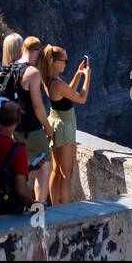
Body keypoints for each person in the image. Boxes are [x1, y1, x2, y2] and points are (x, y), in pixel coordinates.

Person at [40, 45, 91, 205]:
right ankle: (67, 213)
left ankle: (55, 207)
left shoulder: (49, 81)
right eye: (64, 60)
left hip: (55, 122)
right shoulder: (57, 84)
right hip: (65, 126)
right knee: (67, 174)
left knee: (57, 170)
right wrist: (88, 77)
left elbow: (66, 93)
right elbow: (81, 98)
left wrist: (78, 74)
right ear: (54, 62)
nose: (66, 64)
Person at [11, 36, 53, 204]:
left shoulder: (11, 68)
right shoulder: (32, 73)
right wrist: (48, 127)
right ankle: (39, 205)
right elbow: (38, 107)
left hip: (15, 128)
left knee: (23, 165)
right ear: (36, 51)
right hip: (32, 129)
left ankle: (22, 200)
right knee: (44, 165)